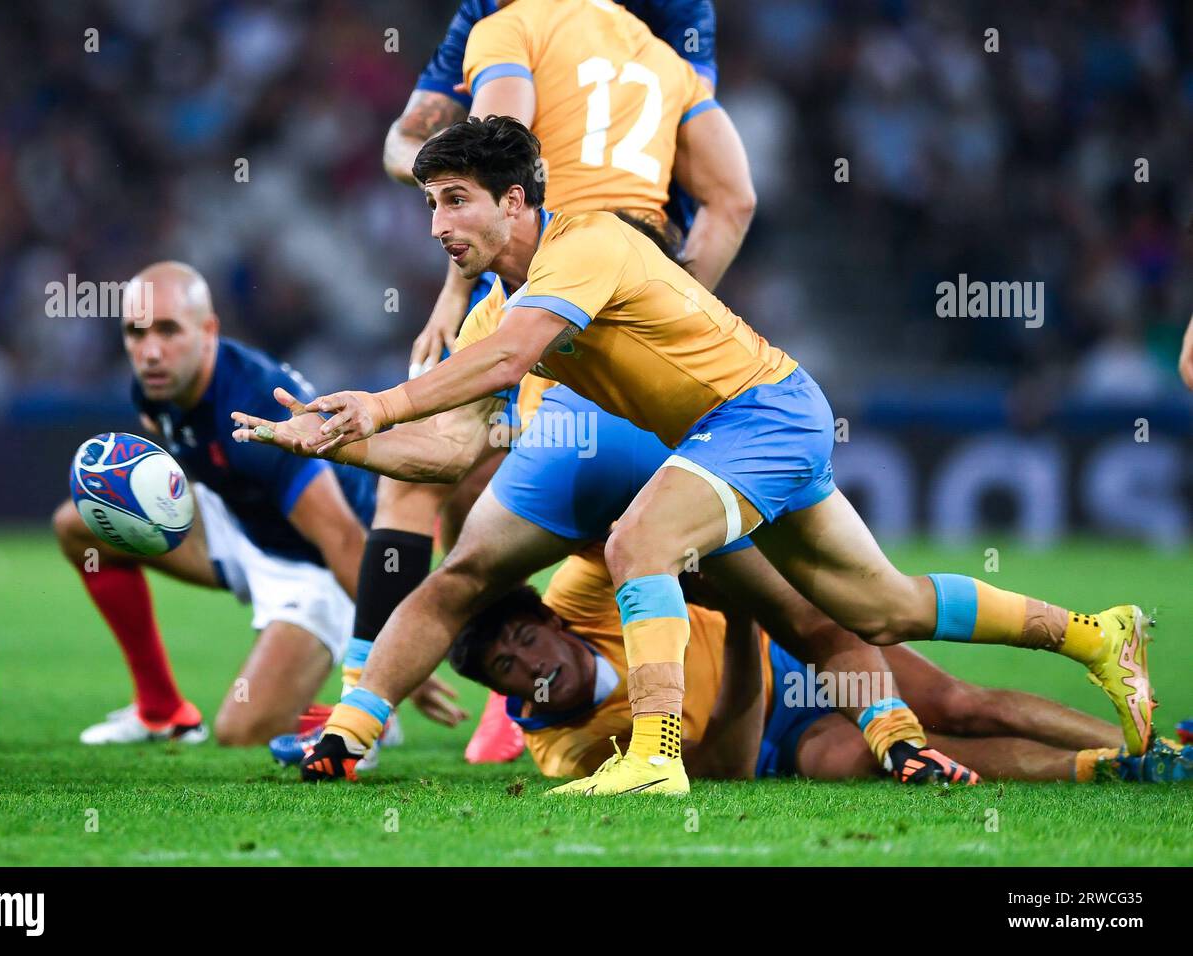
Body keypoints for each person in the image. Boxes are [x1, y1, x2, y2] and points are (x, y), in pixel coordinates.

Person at [235, 116, 1153, 797]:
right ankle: (1094, 635)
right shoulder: (491, 312)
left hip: (764, 413)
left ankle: (654, 758)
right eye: (431, 204)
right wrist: (345, 435)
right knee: (886, 604)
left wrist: (380, 399)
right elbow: (452, 449)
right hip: (748, 430)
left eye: (456, 200)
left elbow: (514, 359)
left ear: (516, 200)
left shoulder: (583, 243)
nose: (438, 224)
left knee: (639, 541)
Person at [351, 0, 748, 765]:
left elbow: (492, 154)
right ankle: (885, 712)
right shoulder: (664, 47)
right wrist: (685, 298)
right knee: (776, 579)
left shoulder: (510, 25)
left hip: (554, 280)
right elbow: (735, 198)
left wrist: (454, 293)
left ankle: (368, 708)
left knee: (446, 498)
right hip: (650, 286)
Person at [54, 262, 460, 747]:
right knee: (77, 523)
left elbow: (342, 537)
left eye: (168, 330)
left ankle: (352, 715)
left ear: (208, 331)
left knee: (242, 729)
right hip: (245, 526)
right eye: (136, 333)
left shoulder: (252, 403)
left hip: (322, 563)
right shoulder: (153, 387)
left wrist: (396, 658)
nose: (151, 351)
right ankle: (161, 711)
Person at [445, 545, 1192, 786]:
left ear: (546, 617)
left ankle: (1148, 741)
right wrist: (738, 617)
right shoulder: (566, 749)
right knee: (849, 757)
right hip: (763, 726)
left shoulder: (585, 590)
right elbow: (727, 767)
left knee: (955, 702)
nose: (526, 669)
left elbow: (629, 526)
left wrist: (745, 595)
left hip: (790, 646)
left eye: (523, 642)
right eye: (504, 670)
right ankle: (1106, 768)